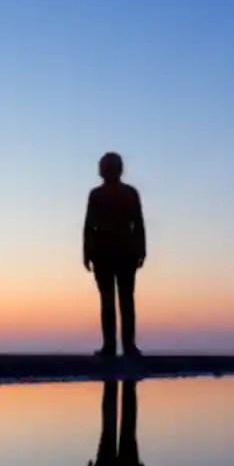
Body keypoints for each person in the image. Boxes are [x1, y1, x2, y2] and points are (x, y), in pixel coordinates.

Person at [83, 152, 147, 357]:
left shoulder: (128, 193)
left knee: (123, 300)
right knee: (111, 301)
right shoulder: (97, 195)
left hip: (123, 252)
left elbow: (138, 223)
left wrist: (141, 249)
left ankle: (126, 346)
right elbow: (89, 226)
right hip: (105, 254)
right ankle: (112, 346)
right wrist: (87, 252)